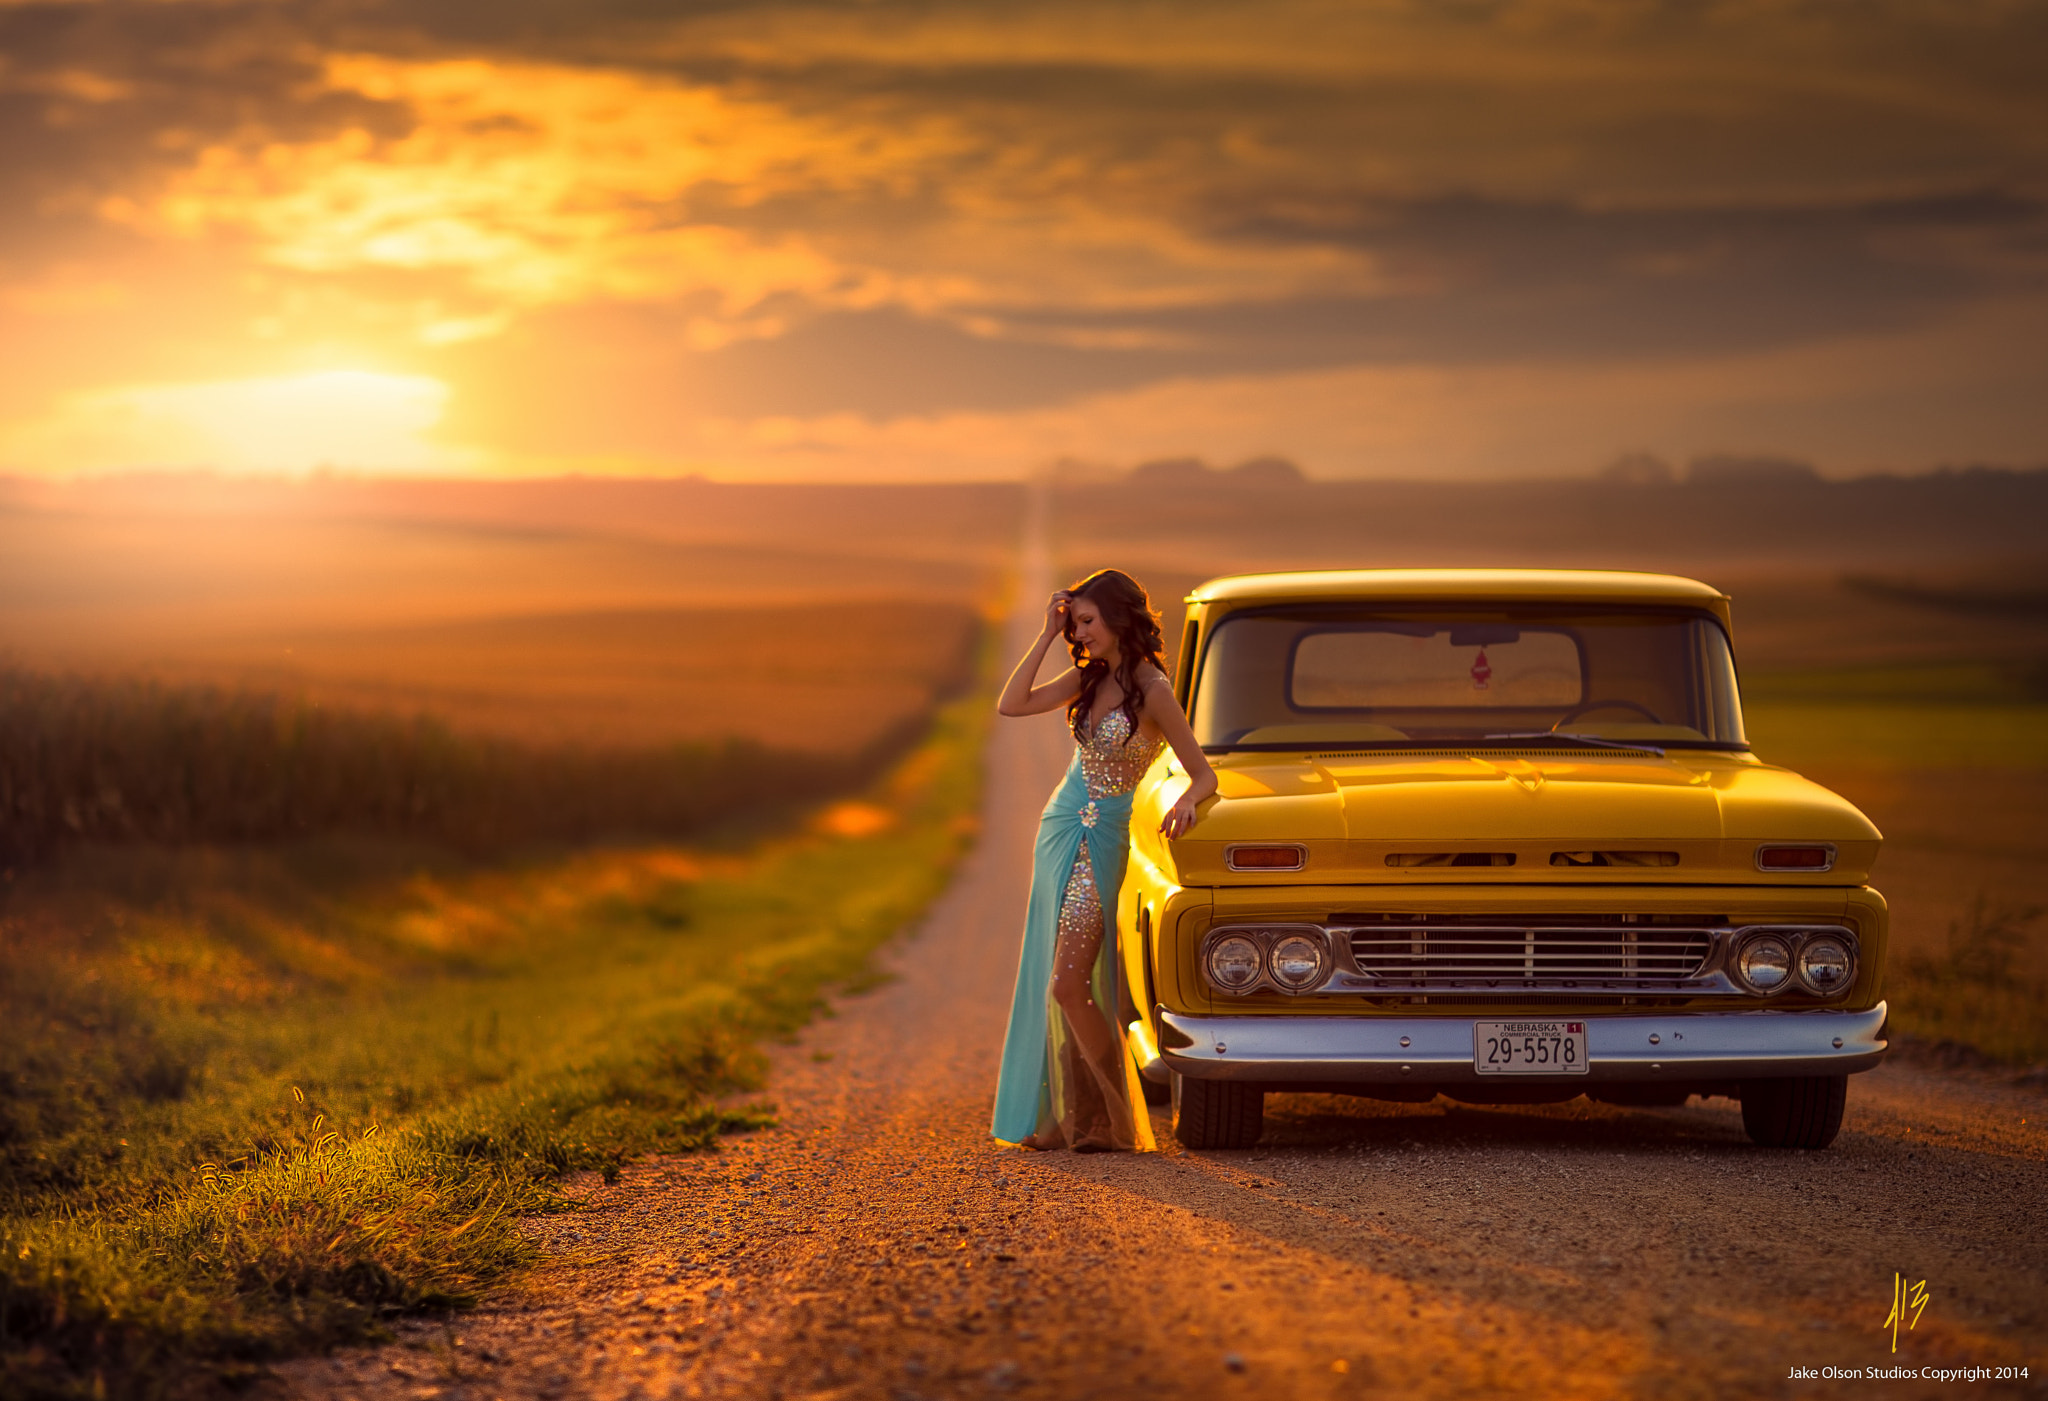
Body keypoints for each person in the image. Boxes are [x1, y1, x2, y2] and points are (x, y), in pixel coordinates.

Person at [990, 569, 1219, 1151]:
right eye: (1075, 622)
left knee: (1071, 982)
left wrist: (1189, 802)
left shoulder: (1154, 690)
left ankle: (1104, 1112)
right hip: (1061, 827)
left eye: (1086, 622)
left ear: (1120, 620)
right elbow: (1010, 704)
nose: (1079, 633)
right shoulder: (1087, 679)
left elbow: (1203, 774)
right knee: (1058, 975)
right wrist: (1045, 634)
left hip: (1106, 839)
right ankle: (1073, 1116)